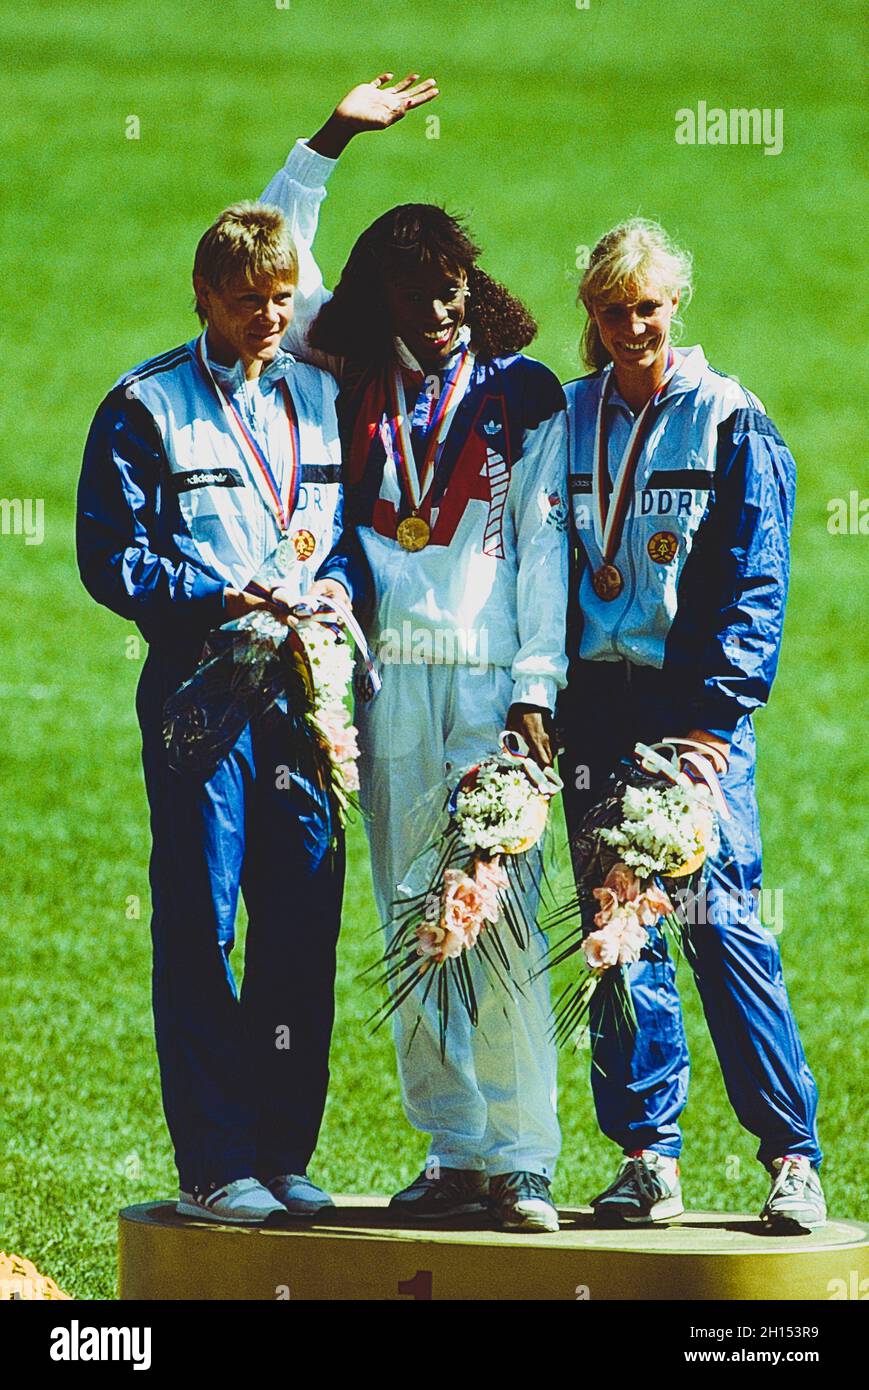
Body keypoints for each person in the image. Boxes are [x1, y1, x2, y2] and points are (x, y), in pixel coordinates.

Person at [259, 76, 570, 1231]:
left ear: (469, 285)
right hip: (390, 683)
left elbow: (542, 556)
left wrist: (537, 690)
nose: (434, 302)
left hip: (493, 687)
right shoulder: (345, 376)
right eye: (410, 285)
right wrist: (330, 140)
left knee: (499, 905)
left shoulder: (525, 398)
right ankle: (451, 1149)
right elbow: (274, 262)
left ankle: (523, 1153)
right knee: (410, 909)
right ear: (381, 294)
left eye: (448, 285)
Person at [77, 200, 366, 1224]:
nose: (269, 319)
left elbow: (349, 530)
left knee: (303, 913)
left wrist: (333, 587)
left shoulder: (323, 393)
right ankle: (212, 1161)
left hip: (302, 690)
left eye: (282, 300)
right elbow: (109, 554)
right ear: (203, 293)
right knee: (203, 919)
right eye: (248, 302)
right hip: (203, 691)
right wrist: (214, 595)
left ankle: (281, 1152)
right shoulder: (147, 405)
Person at [558, 218, 825, 1230]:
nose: (633, 326)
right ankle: (644, 1157)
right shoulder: (571, 418)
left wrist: (714, 722)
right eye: (614, 308)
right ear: (590, 311)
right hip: (595, 708)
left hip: (689, 713)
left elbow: (757, 585)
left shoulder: (729, 421)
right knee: (617, 938)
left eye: (649, 308)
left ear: (674, 305)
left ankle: (790, 1157)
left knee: (722, 927)